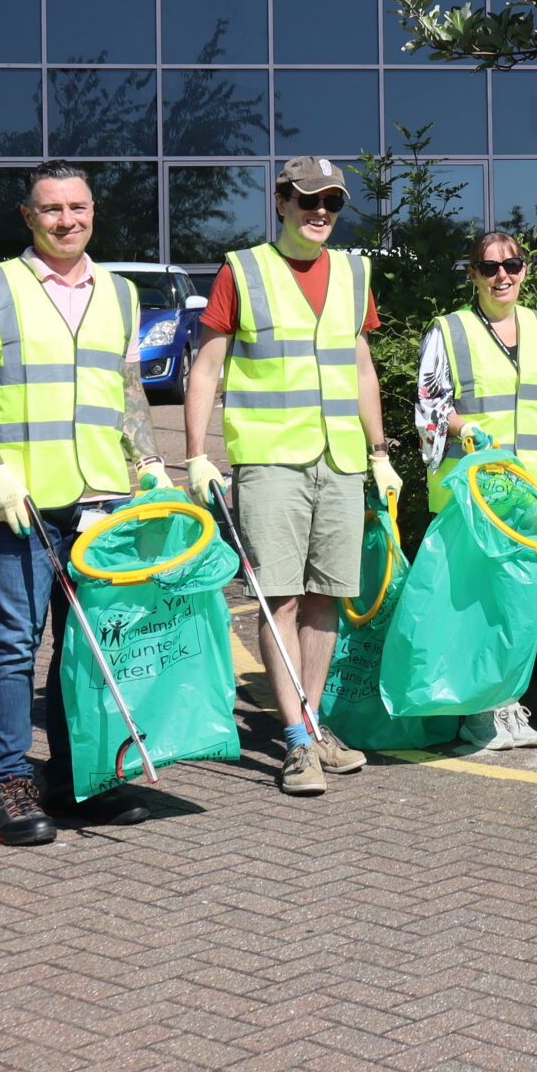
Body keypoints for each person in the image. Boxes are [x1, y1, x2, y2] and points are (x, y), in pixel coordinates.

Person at [0, 161, 163, 844]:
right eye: (51, 210)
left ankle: (75, 777)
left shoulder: (121, 294)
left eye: (77, 206)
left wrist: (149, 462)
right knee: (13, 642)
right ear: (27, 216)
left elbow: (130, 390)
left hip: (101, 497)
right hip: (22, 500)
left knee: (85, 647)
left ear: (93, 210)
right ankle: (5, 784)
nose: (66, 220)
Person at [182, 156, 404, 793]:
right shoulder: (243, 270)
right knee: (278, 596)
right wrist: (197, 454)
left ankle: (312, 717)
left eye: (331, 202)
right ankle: (299, 740)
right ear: (280, 201)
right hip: (272, 461)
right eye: (308, 200)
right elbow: (207, 368)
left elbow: (361, 368)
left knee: (326, 597)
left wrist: (380, 452)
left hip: (340, 460)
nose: (321, 212)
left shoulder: (355, 271)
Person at [415, 228, 537, 752]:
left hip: (532, 497)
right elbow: (430, 407)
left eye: (512, 266)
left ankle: (509, 701)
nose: (502, 276)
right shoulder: (449, 331)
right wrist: (462, 427)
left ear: (525, 271)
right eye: (489, 267)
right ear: (472, 274)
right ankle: (478, 712)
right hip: (473, 497)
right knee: (477, 606)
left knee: (523, 604)